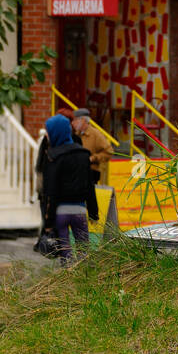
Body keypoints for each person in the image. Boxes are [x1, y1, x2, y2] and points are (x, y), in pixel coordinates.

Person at [41, 114, 97, 261]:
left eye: (48, 131)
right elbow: (89, 186)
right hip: (80, 211)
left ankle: (69, 279)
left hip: (60, 213)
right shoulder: (83, 154)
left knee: (66, 257)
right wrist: (93, 213)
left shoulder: (53, 157)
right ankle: (86, 280)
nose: (46, 135)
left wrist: (48, 222)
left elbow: (51, 192)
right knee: (84, 254)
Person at [70, 108, 113, 188]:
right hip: (77, 174)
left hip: (90, 174)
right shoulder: (76, 135)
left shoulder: (95, 134)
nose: (72, 123)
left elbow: (109, 152)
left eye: (75, 120)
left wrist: (93, 158)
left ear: (83, 120)